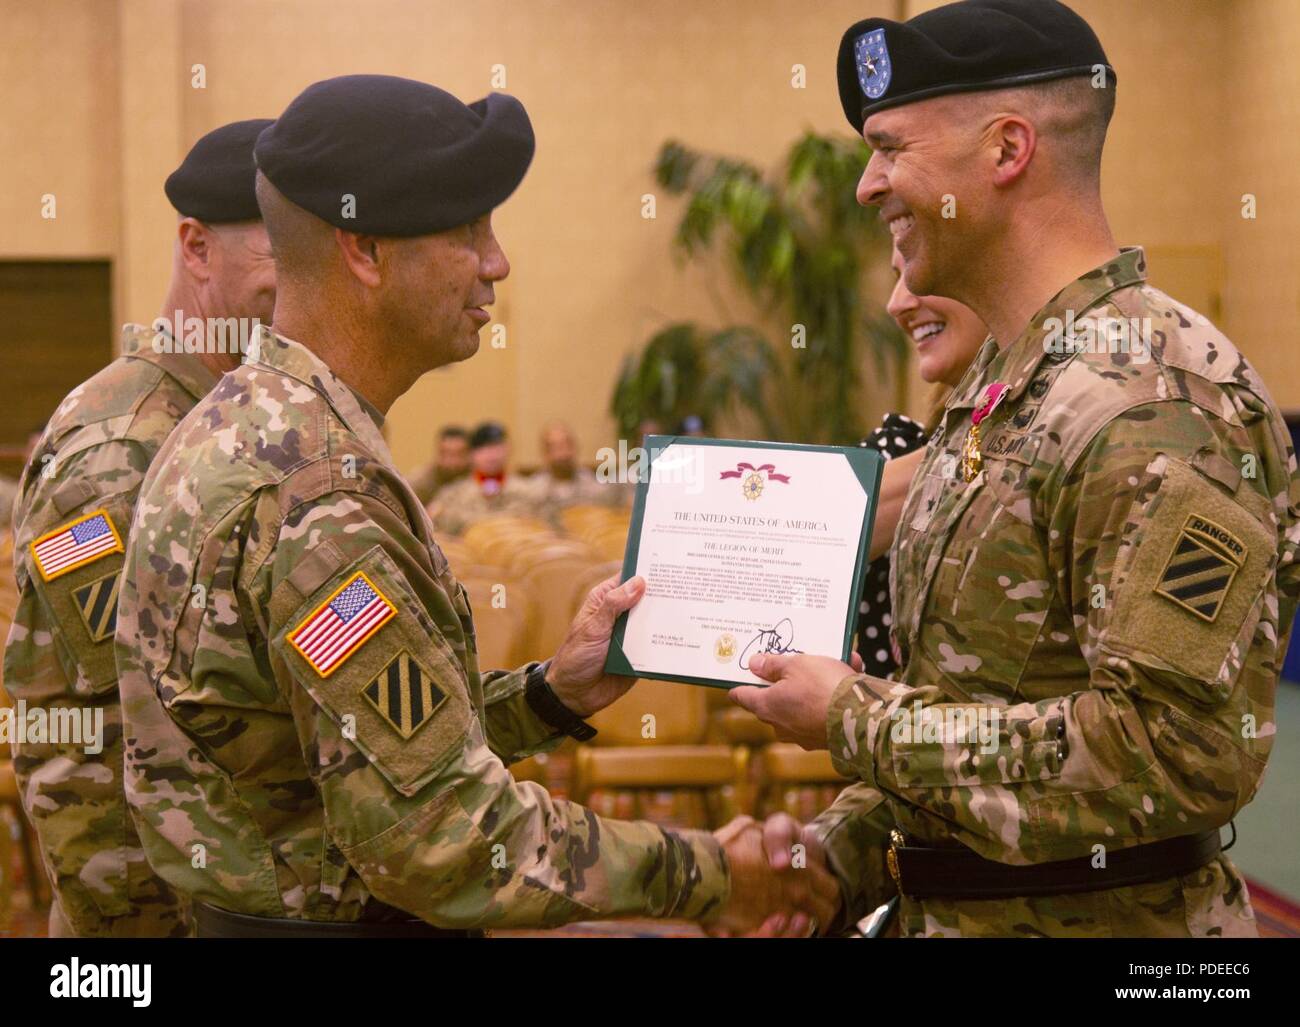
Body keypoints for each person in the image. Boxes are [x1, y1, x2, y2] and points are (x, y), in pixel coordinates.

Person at [115, 75, 837, 938]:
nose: (498, 261)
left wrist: (550, 693)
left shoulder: (242, 427)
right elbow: (443, 839)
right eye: (468, 230)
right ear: (366, 250)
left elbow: (354, 748)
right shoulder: (318, 491)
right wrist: (714, 873)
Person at [734, 0, 1300, 938]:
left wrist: (856, 717)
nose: (870, 186)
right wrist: (836, 856)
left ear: (1007, 151)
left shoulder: (1155, 399)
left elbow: (1175, 756)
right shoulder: (1003, 384)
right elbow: (978, 712)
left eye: (891, 148)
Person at [3, 118, 275, 937]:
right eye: (279, 253)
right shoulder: (121, 447)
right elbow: (92, 735)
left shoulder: (236, 418)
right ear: (197, 248)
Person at [856, 246, 989, 677]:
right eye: (897, 274)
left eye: (917, 268)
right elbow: (797, 538)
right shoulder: (907, 450)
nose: (896, 303)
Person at [428, 420, 537, 533]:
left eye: (497, 447)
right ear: (471, 454)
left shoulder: (528, 491)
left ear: (508, 449)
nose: (491, 455)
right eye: (483, 449)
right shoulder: (452, 495)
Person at [517, 421, 622, 514]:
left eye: (568, 445)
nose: (564, 453)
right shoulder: (533, 491)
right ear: (546, 454)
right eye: (557, 447)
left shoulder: (592, 485)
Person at [407, 425, 471, 505]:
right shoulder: (422, 479)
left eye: (457, 454)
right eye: (445, 454)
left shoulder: (477, 480)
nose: (450, 462)